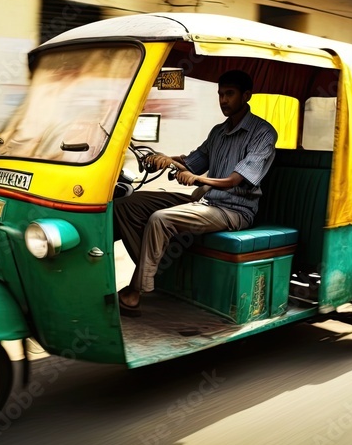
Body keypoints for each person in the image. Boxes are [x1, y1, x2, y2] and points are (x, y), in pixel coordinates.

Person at [114, 70, 277, 317]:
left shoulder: (263, 133)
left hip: (234, 211)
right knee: (128, 203)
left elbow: (236, 180)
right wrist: (165, 159)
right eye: (221, 94)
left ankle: (136, 290)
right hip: (207, 200)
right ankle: (158, 271)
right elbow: (191, 163)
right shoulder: (218, 132)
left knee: (161, 219)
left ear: (246, 95)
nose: (223, 100)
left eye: (229, 94)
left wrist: (197, 179)